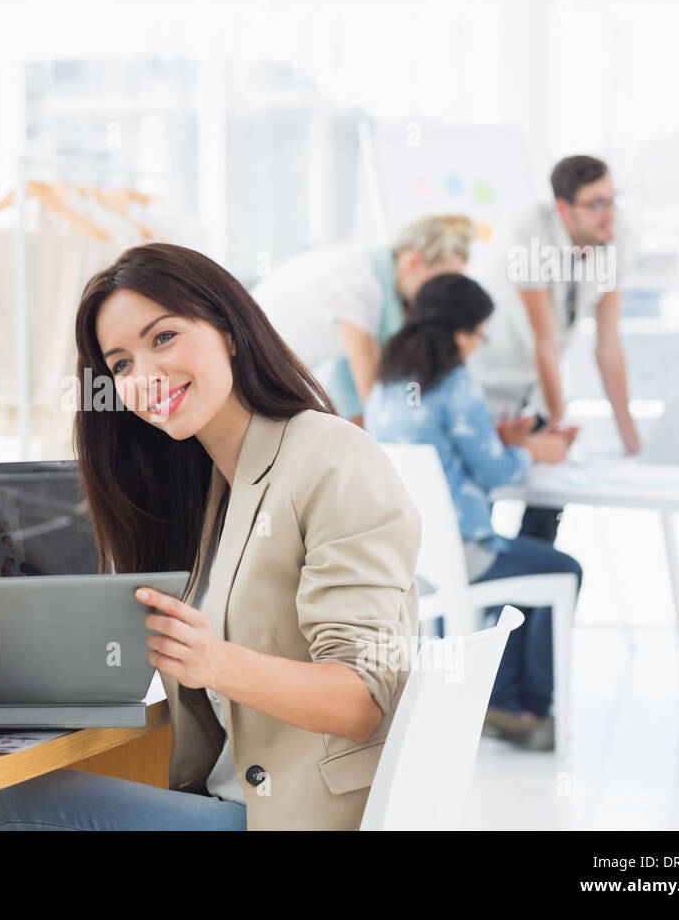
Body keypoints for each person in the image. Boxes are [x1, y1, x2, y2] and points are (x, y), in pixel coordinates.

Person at [0, 243, 424, 830]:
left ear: (231, 331)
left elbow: (362, 699)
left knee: (7, 809)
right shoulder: (207, 486)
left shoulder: (332, 458)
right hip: (235, 803)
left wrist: (217, 662)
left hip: (297, 820)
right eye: (122, 365)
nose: (145, 376)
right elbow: (67, 633)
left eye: (164, 337)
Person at [363, 273, 582, 750]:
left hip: (413, 558)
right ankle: (522, 702)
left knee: (527, 557)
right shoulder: (455, 382)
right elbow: (496, 473)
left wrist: (501, 441)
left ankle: (505, 696)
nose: (477, 345)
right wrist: (537, 450)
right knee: (562, 566)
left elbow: (443, 454)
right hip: (463, 554)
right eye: (479, 334)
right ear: (461, 331)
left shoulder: (385, 383)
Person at [468, 154, 640, 545]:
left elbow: (608, 348)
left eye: (612, 199)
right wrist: (559, 426)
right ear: (563, 208)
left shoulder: (615, 235)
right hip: (486, 386)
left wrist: (633, 444)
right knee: (482, 507)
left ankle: (527, 606)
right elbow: (543, 341)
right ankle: (471, 605)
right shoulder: (529, 231)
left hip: (537, 392)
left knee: (549, 509)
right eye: (596, 204)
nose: (609, 213)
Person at [251, 214, 475, 426]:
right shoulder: (358, 282)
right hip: (253, 368)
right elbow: (375, 398)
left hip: (271, 376)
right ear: (413, 262)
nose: (443, 294)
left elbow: (352, 380)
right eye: (441, 281)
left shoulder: (369, 275)